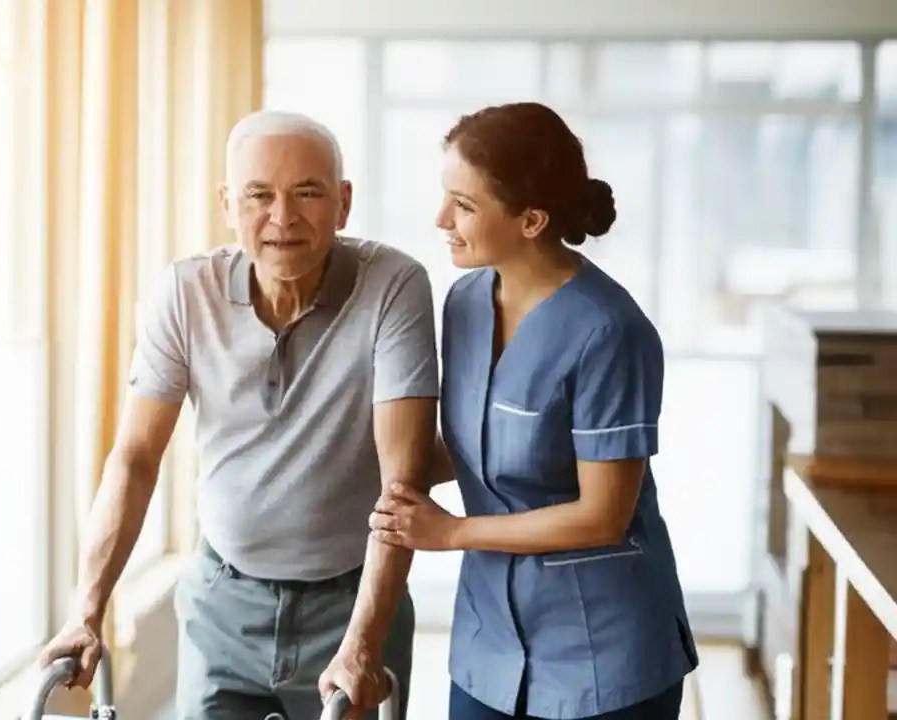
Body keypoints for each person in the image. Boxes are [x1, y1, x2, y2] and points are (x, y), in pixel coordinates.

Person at [38, 109, 440, 720]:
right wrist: (86, 611)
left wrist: (364, 641)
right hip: (222, 603)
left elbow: (401, 486)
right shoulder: (185, 292)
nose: (282, 218)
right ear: (229, 203)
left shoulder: (393, 286)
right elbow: (136, 459)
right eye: (260, 195)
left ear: (343, 202)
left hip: (351, 603)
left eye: (308, 193)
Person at [369, 102, 699, 720]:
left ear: (531, 220)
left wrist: (451, 532)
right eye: (445, 196)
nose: (441, 219)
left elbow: (604, 514)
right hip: (488, 646)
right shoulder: (463, 304)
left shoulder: (609, 332)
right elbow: (478, 444)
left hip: (603, 655)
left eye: (463, 205)